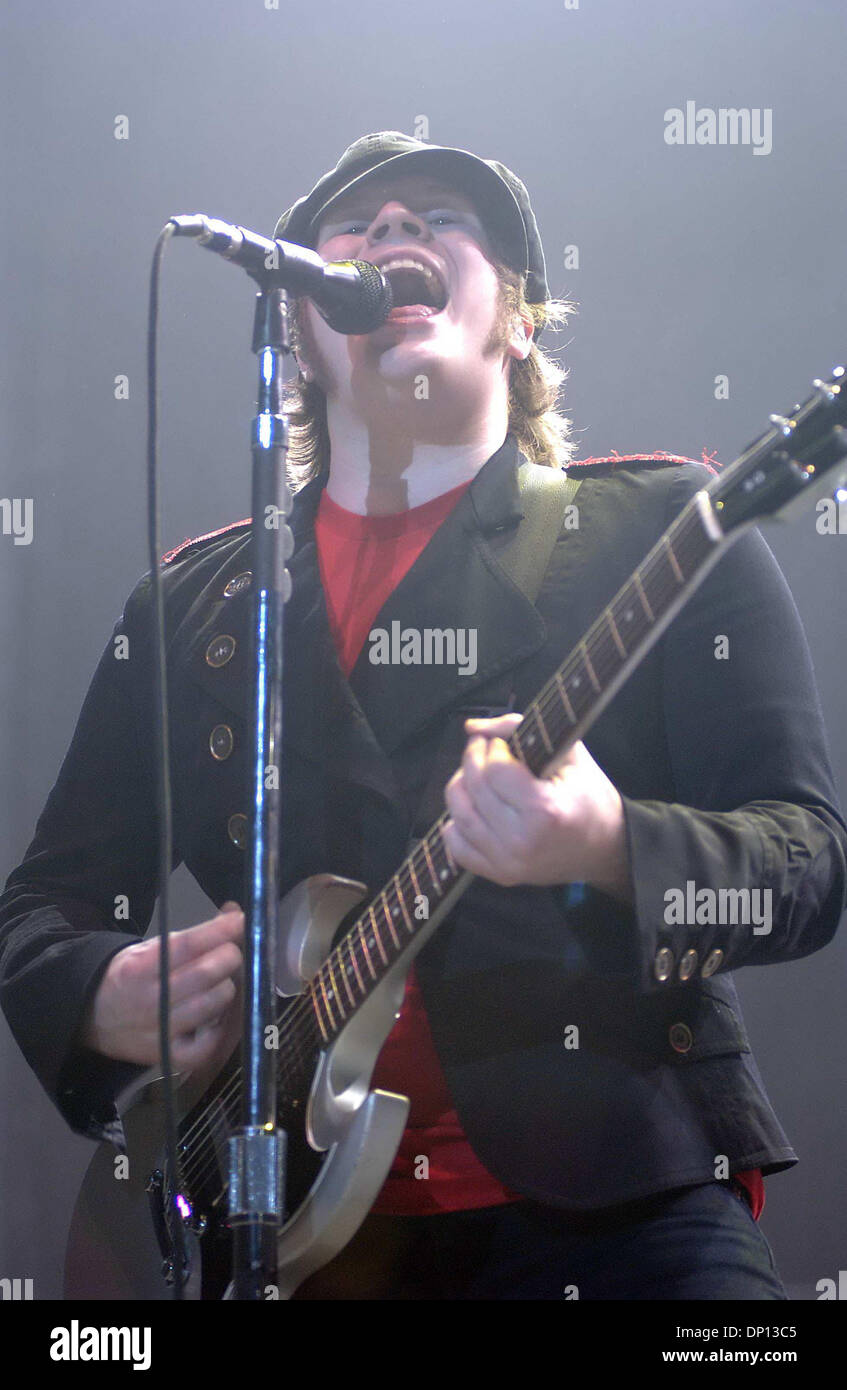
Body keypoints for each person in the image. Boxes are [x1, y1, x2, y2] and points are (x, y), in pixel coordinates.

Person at [1, 130, 845, 1301]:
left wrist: (611, 849)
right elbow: (42, 904)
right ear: (298, 323)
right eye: (355, 225)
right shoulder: (191, 604)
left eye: (441, 218)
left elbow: (805, 863)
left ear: (520, 316)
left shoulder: (660, 528)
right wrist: (99, 987)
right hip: (282, 1233)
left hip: (613, 1208)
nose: (394, 232)